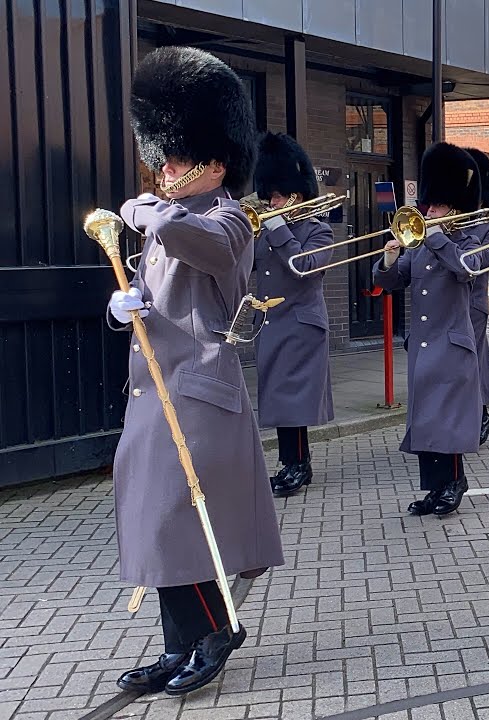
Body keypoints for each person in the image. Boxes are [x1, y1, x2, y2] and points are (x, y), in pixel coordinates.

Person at [106, 46, 283, 697]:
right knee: (159, 528)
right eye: (163, 157)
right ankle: (178, 644)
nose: (165, 168)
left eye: (177, 158)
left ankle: (216, 629)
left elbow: (203, 247)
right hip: (154, 394)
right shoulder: (167, 222)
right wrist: (122, 307)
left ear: (216, 161)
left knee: (174, 523)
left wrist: (149, 210)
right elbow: (153, 297)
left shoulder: (229, 217)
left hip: (199, 397)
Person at [374, 143, 483, 517]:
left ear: (453, 206)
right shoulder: (419, 245)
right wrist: (388, 258)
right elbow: (393, 281)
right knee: (425, 420)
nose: (428, 211)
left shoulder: (471, 237)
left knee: (445, 420)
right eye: (429, 205)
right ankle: (434, 489)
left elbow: (466, 268)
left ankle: (454, 482)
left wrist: (435, 235)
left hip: (451, 345)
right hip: (423, 345)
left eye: (435, 206)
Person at [250, 132, 336, 498]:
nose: (271, 202)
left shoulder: (318, 229)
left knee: (294, 400)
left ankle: (297, 465)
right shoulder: (267, 231)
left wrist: (279, 229)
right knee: (279, 398)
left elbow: (306, 267)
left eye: (277, 196)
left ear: (295, 195)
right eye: (269, 195)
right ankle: (292, 463)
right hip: (271, 322)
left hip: (301, 325)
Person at [462, 147, 489, 443]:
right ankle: (482, 414)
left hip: (473, 306)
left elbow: (481, 262)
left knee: (469, 363)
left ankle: (477, 416)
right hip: (445, 307)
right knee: (474, 362)